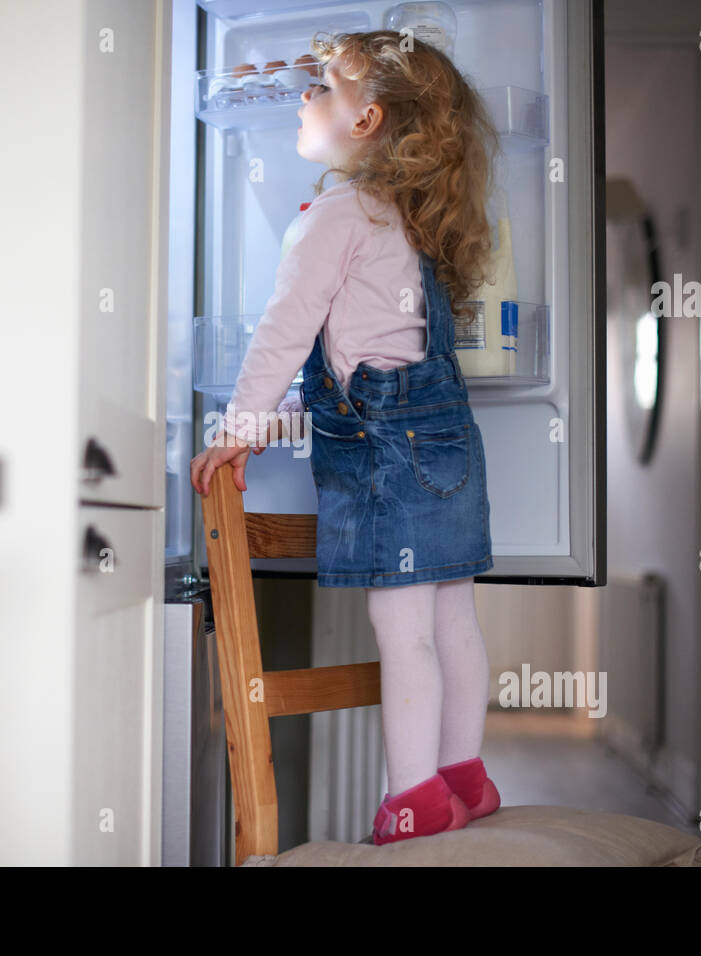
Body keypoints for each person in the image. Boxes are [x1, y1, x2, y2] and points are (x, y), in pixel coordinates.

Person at [190, 30, 502, 846]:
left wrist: (238, 430)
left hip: (386, 449)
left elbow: (284, 332)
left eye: (321, 89)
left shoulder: (334, 216)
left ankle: (413, 798)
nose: (304, 98)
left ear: (367, 121)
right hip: (447, 438)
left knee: (401, 634)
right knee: (454, 623)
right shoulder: (409, 220)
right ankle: (465, 775)